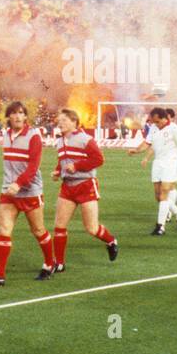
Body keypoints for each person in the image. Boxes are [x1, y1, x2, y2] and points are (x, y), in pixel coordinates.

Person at [0, 101, 57, 286]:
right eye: (13, 113)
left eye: (21, 113)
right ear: (8, 116)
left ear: (25, 117)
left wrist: (19, 183)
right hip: (8, 191)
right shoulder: (6, 135)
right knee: (4, 230)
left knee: (38, 230)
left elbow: (33, 167)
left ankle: (50, 263)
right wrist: (12, 185)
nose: (17, 116)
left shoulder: (34, 136)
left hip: (30, 191)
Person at [50, 107, 118, 271]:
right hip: (67, 187)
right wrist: (58, 171)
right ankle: (59, 263)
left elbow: (99, 159)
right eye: (59, 121)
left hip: (86, 185)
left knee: (92, 228)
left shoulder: (85, 139)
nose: (60, 123)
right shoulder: (60, 141)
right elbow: (63, 162)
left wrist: (78, 166)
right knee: (59, 226)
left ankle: (111, 241)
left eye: (64, 120)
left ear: (74, 122)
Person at [129, 107, 177, 235]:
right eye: (153, 122)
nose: (155, 124)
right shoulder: (154, 128)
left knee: (165, 192)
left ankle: (160, 227)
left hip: (171, 163)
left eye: (157, 121)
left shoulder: (176, 130)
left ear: (165, 118)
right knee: (159, 197)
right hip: (158, 163)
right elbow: (147, 143)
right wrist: (136, 151)